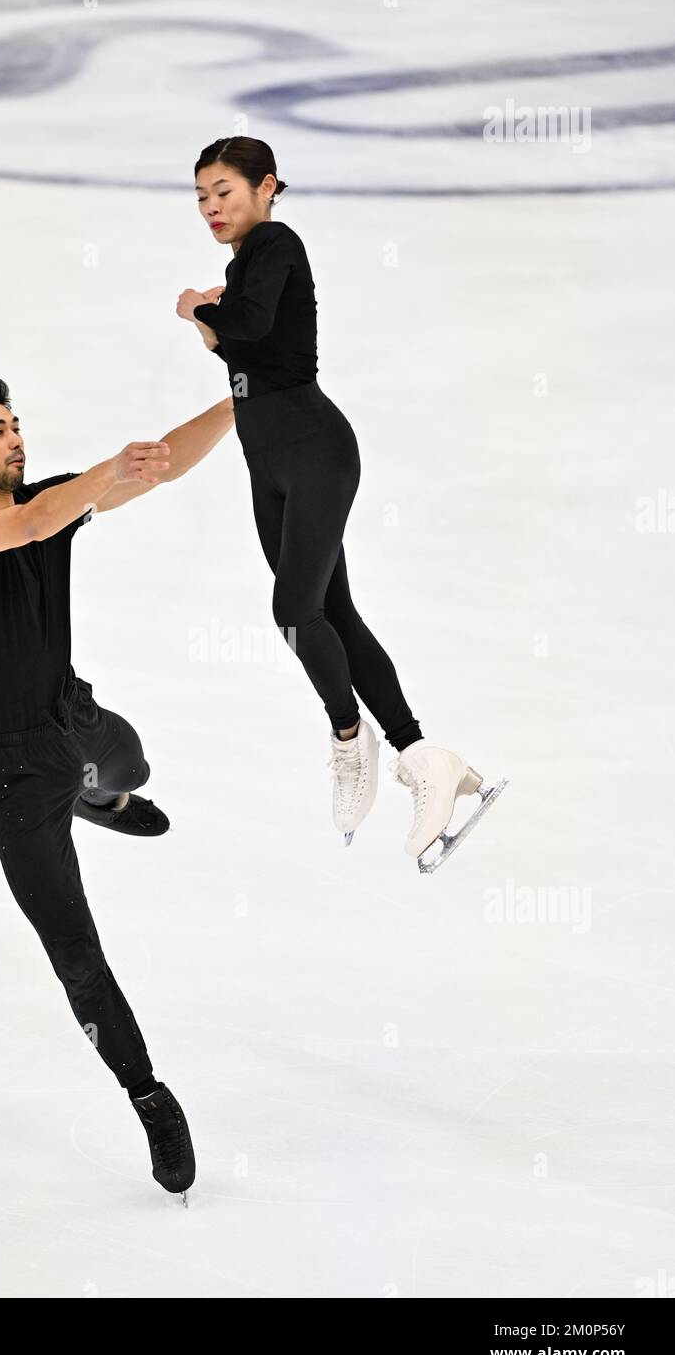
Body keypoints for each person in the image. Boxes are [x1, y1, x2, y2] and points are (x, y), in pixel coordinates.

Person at [0, 375, 234, 1197]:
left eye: (17, 424)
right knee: (77, 957)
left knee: (131, 766)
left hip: (73, 723)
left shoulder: (55, 504)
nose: (15, 439)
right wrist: (101, 475)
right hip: (14, 776)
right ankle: (151, 1099)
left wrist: (242, 401)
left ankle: (101, 797)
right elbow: (22, 523)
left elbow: (160, 466)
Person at [176, 137, 505, 869]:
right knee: (333, 615)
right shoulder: (249, 264)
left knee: (294, 613)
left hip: (316, 452)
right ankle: (425, 756)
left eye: (224, 191)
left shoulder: (275, 244)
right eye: (201, 196)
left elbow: (249, 327)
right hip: (269, 464)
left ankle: (351, 738)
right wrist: (212, 317)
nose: (211, 207)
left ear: (265, 187)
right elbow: (245, 345)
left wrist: (200, 308)